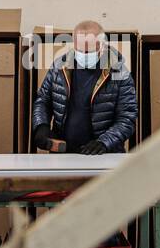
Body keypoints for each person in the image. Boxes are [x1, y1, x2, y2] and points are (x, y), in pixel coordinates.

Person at [32, 20, 136, 154]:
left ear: (102, 46)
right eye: (80, 51)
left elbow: (127, 118)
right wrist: (41, 126)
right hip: (64, 154)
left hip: (103, 154)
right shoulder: (59, 67)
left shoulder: (119, 73)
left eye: (90, 51)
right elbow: (43, 101)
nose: (85, 55)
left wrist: (104, 142)